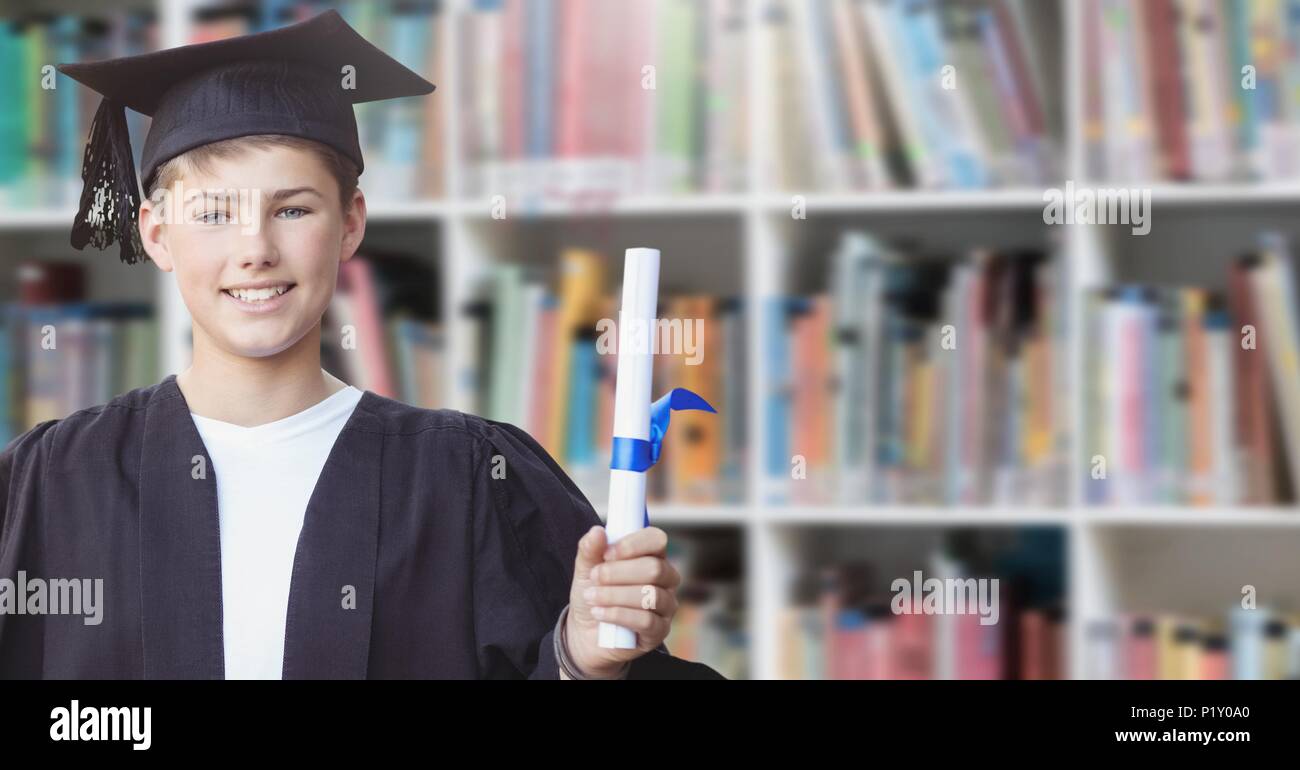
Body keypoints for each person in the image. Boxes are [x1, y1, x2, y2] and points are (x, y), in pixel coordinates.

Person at [0, 10, 722, 680]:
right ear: (158, 234)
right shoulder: (52, 482)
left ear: (350, 224)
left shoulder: (469, 480)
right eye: (214, 212)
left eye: (292, 209)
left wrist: (582, 657)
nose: (255, 249)